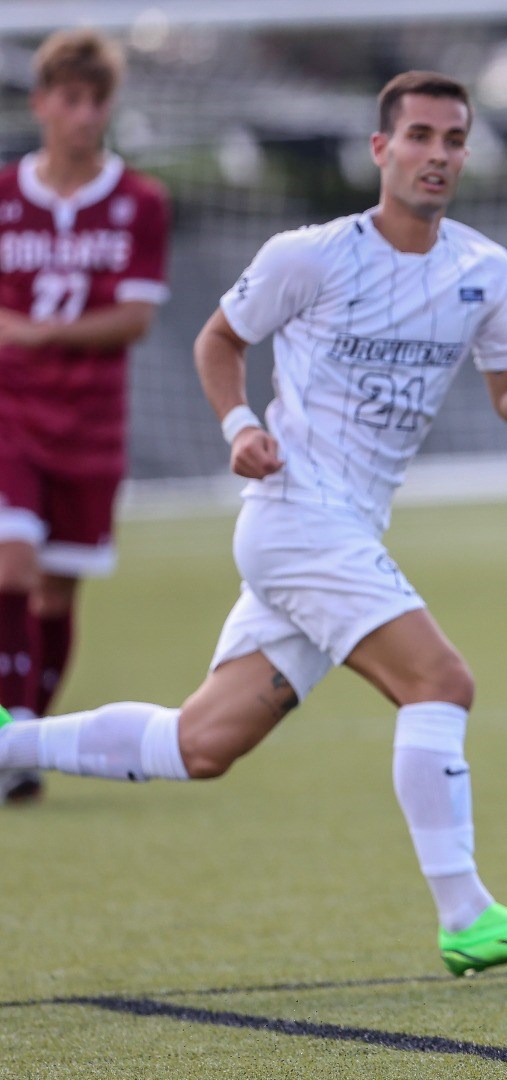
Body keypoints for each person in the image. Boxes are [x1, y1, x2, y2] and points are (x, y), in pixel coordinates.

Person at [0, 72, 507, 976]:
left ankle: (9, 739)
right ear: (380, 150)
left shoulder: (485, 270)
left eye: (454, 139)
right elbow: (217, 340)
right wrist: (242, 428)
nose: (438, 154)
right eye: (421, 136)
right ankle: (465, 914)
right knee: (440, 682)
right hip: (296, 522)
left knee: (200, 745)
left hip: (346, 530)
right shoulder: (308, 254)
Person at [0, 30, 169, 805]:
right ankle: (8, 737)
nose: (83, 114)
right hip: (9, 410)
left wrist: (40, 331)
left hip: (91, 423)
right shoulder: (5, 195)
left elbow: (134, 317)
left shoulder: (140, 202)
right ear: (40, 103)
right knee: (11, 565)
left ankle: (25, 738)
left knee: (58, 596)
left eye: (96, 100)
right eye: (69, 99)